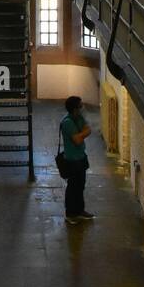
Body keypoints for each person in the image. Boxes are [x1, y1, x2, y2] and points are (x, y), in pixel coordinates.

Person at [60, 94, 96, 226]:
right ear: (75, 109)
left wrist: (83, 133)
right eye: (80, 106)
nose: (83, 108)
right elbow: (77, 139)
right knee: (73, 187)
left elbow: (88, 130)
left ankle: (80, 210)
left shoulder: (78, 118)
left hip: (81, 157)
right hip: (72, 160)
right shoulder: (68, 123)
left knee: (80, 186)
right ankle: (70, 213)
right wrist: (83, 133)